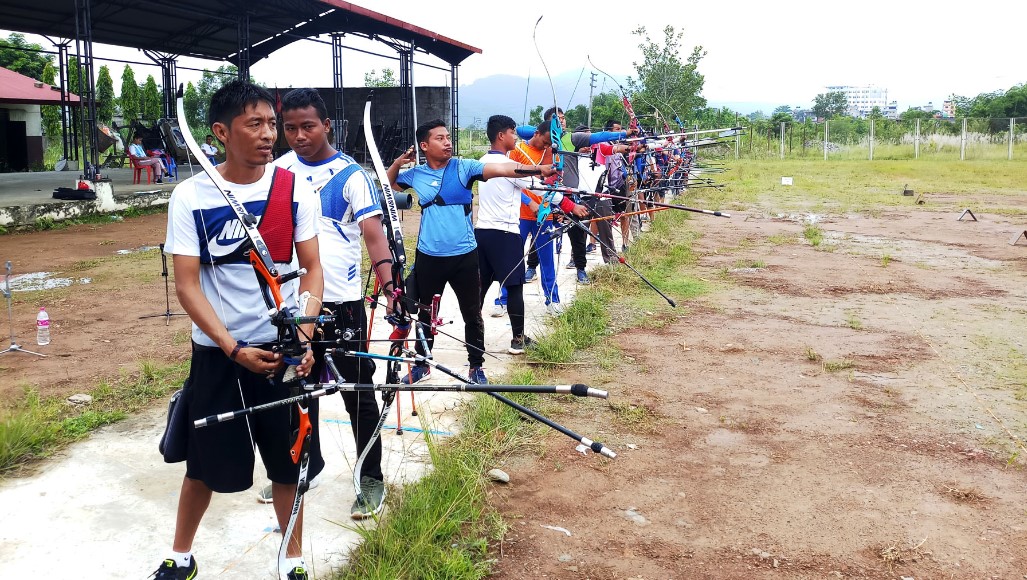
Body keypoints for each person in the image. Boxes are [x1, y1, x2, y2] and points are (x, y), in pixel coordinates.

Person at [155, 79, 323, 580]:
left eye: (272, 124)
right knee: (204, 463)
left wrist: (306, 334)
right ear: (220, 132)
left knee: (288, 463)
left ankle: (292, 562)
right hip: (218, 354)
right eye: (256, 124)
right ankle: (181, 557)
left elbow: (312, 269)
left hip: (284, 349)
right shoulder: (191, 196)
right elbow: (187, 285)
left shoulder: (295, 189)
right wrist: (231, 348)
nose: (269, 134)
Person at [270, 87, 395, 519]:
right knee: (297, 387)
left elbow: (374, 234)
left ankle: (371, 477)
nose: (299, 135)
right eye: (289, 128)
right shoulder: (278, 171)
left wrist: (389, 283)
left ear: (327, 126)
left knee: (356, 393)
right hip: (295, 302)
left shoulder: (350, 175)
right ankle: (307, 464)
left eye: (308, 126)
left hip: (340, 303)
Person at [387, 119, 556, 385]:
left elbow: (502, 169)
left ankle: (476, 367)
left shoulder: (464, 167)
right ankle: (422, 363)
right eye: (439, 138)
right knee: (425, 312)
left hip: (465, 255)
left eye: (447, 137)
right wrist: (398, 163)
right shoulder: (416, 174)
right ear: (424, 145)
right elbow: (387, 189)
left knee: (472, 313)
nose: (447, 142)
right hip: (429, 256)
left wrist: (538, 170)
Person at [476, 115, 584, 353]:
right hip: (505, 233)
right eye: (513, 132)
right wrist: (571, 206)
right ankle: (518, 340)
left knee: (480, 287)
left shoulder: (481, 162)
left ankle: (474, 340)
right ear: (501, 136)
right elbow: (541, 188)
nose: (516, 137)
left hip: (481, 233)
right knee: (514, 288)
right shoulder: (510, 167)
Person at [505, 120, 588, 315]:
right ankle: (502, 299)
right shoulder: (517, 151)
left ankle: (552, 299)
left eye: (552, 142)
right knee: (512, 258)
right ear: (536, 133)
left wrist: (559, 197)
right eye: (546, 140)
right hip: (521, 214)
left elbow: (550, 184)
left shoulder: (550, 151)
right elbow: (512, 182)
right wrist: (530, 202)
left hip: (545, 214)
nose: (548, 145)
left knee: (547, 259)